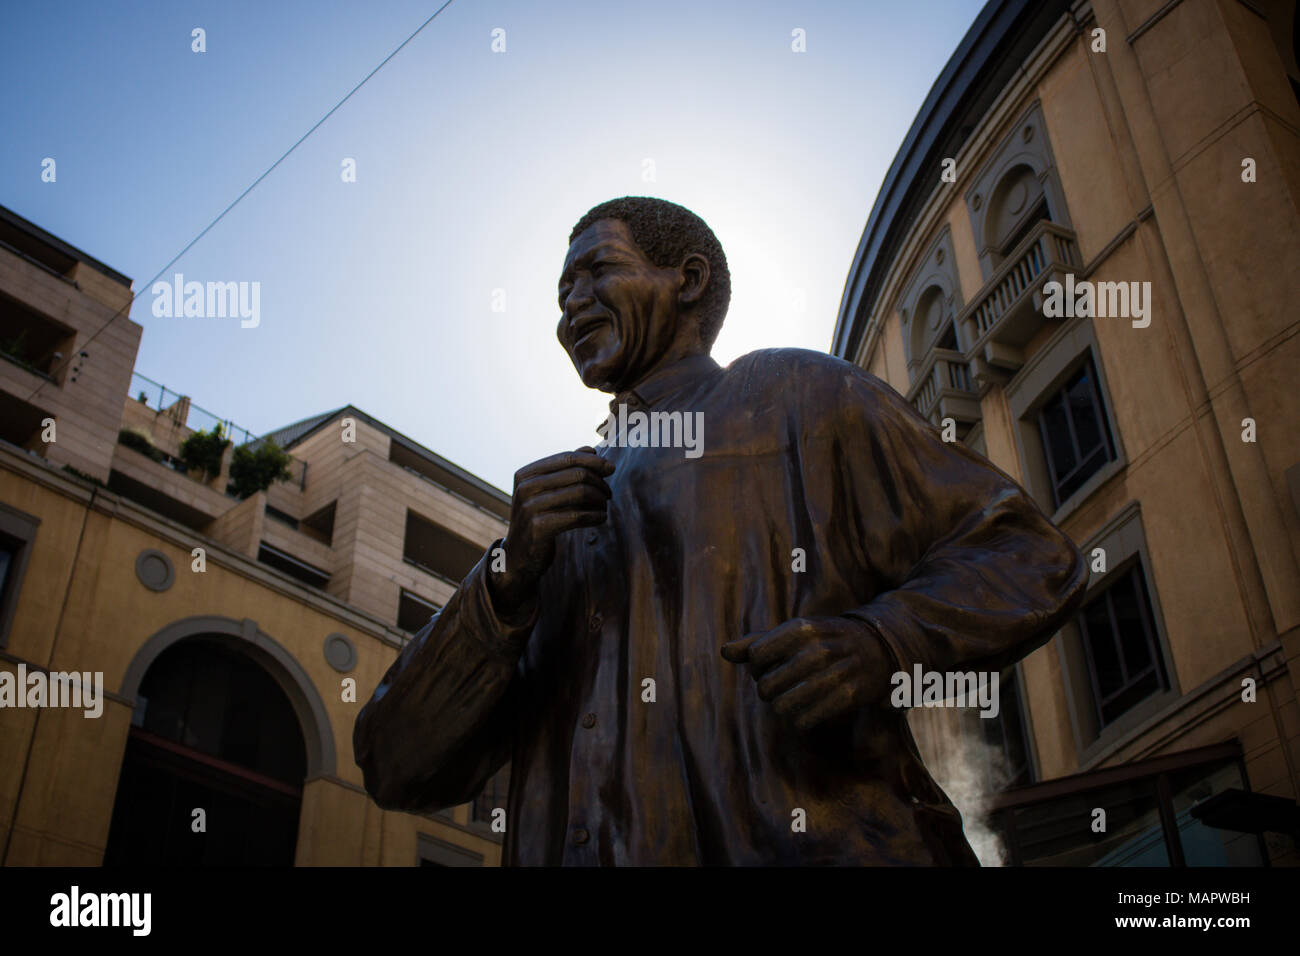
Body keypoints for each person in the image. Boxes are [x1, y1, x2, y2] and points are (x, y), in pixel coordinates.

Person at [354, 196, 1088, 865]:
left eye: (596, 272)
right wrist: (504, 582)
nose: (571, 307)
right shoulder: (547, 529)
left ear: (689, 279)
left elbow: (1025, 551)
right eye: (560, 294)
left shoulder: (795, 392)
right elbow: (393, 765)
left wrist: (882, 642)